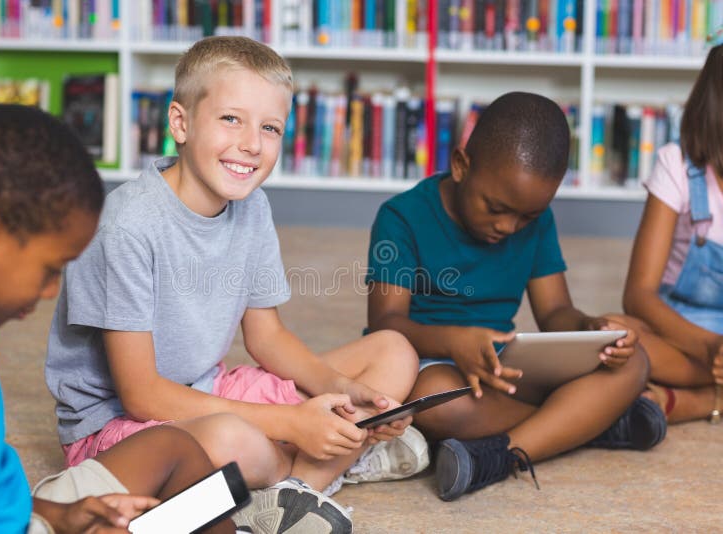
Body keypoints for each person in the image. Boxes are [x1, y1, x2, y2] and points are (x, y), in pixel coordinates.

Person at [45, 36, 424, 533]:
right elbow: (141, 396)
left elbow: (266, 336)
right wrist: (293, 424)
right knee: (235, 438)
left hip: (208, 387)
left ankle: (292, 488)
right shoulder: (127, 226)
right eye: (231, 119)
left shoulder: (253, 207)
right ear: (180, 123)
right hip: (120, 427)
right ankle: (320, 468)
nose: (252, 144)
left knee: (394, 353)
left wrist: (349, 394)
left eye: (270, 127)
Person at [0, 104, 235, 533]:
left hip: (18, 517)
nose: (52, 291)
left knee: (172, 446)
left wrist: (61, 516)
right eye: (51, 269)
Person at [365, 91, 667, 503]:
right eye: (496, 207)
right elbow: (387, 323)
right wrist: (456, 341)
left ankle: (498, 455)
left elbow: (556, 311)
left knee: (634, 364)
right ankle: (584, 424)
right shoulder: (401, 217)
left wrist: (589, 328)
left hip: (500, 367)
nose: (508, 226)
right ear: (460, 166)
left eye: (527, 216)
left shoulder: (536, 221)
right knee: (433, 400)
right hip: (430, 362)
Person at [613, 36, 723, 424]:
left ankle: (692, 400)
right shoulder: (676, 163)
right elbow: (638, 295)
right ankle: (707, 389)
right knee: (613, 333)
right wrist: (712, 348)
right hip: (681, 332)